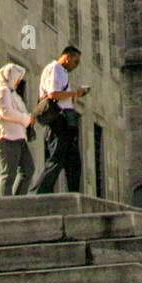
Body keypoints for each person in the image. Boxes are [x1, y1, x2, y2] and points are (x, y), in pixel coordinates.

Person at [30, 44, 89, 194]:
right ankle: (36, 193)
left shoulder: (62, 72)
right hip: (58, 121)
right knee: (56, 159)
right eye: (75, 62)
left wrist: (76, 95)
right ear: (66, 57)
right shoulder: (55, 68)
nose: (76, 66)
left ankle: (74, 195)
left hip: (66, 122)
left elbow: (63, 98)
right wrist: (74, 93)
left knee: (73, 163)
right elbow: (53, 94)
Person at [0, 62, 35, 196]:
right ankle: (4, 207)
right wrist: (26, 119)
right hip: (6, 136)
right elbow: (5, 112)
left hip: (18, 137)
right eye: (17, 78)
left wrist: (28, 119)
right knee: (8, 174)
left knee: (28, 169)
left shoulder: (13, 93)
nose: (18, 81)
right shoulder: (1, 90)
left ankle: (17, 202)